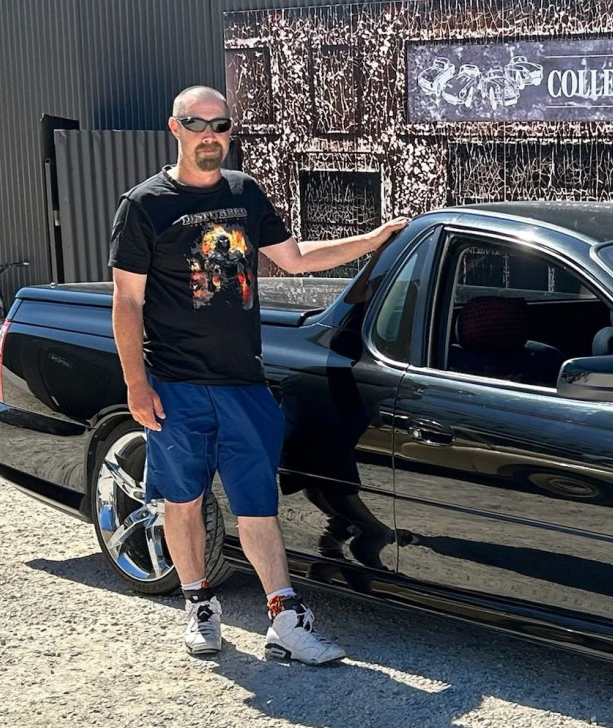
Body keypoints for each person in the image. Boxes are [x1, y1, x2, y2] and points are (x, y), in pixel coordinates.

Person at [107, 85, 408, 662]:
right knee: (183, 501)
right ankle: (200, 606)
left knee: (257, 505)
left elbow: (294, 258)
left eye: (221, 125)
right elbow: (127, 301)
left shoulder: (245, 192)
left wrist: (371, 241)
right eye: (198, 124)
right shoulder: (144, 205)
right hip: (175, 384)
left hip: (243, 384)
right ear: (175, 128)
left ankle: (285, 620)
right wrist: (136, 385)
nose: (211, 136)